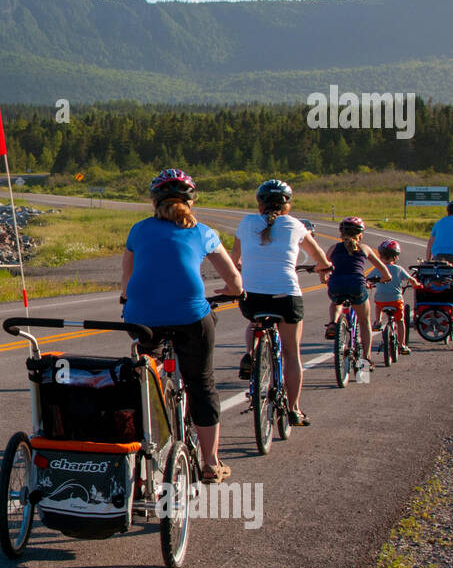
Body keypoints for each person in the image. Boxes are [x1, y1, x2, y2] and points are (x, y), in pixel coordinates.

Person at [120, 169, 243, 483]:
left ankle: (142, 455)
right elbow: (232, 279)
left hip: (143, 318)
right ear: (192, 200)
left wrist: (127, 298)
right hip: (190, 317)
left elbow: (127, 279)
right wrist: (235, 292)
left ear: (154, 201)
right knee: (202, 384)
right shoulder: (203, 232)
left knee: (145, 381)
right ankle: (211, 463)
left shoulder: (138, 230)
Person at [230, 179, 333, 426]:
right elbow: (320, 257)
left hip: (252, 298)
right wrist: (324, 269)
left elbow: (234, 259)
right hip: (286, 296)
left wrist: (244, 267)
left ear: (259, 204)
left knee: (255, 320)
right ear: (287, 205)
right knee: (290, 352)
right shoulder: (295, 225)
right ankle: (294, 409)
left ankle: (251, 353)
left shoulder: (246, 223)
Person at [324, 217, 391, 367]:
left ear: (341, 234)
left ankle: (333, 323)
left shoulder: (334, 248)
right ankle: (365, 360)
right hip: (357, 285)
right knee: (364, 321)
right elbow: (384, 271)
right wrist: (385, 278)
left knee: (335, 302)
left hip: (337, 284)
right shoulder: (365, 249)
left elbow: (324, 265)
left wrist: (324, 278)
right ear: (360, 235)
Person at [371, 239, 420, 355]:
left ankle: (378, 322)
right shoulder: (399, 269)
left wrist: (368, 284)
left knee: (378, 304)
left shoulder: (378, 268)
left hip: (381, 300)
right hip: (396, 301)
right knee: (400, 321)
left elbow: (367, 279)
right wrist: (416, 284)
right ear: (395, 257)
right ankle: (402, 345)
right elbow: (411, 280)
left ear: (380, 255)